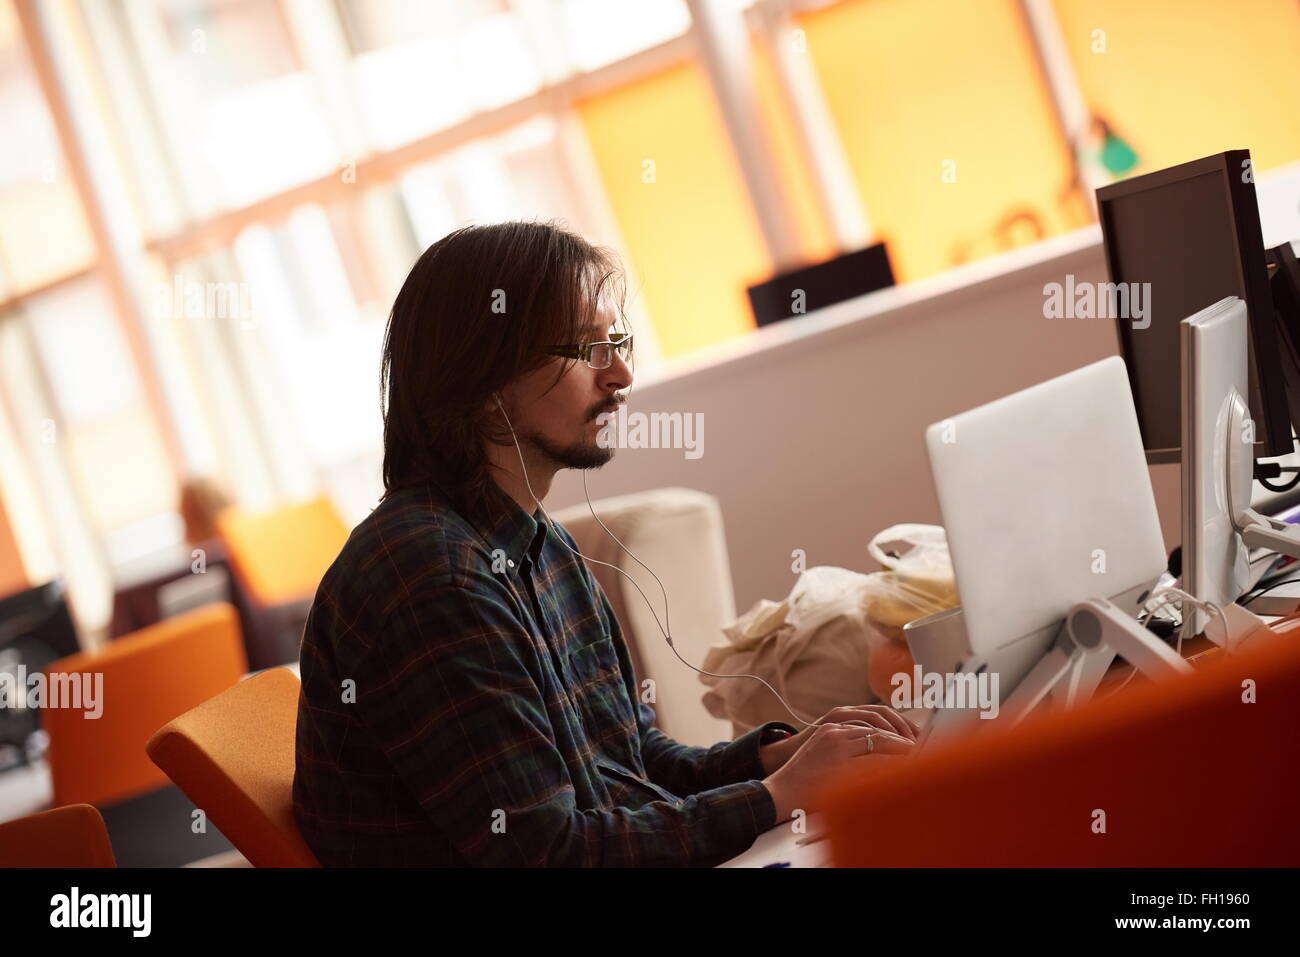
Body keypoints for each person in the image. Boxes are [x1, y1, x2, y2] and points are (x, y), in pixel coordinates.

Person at [293, 220, 917, 866]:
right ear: (481, 386)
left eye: (618, 342)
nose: (619, 374)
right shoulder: (433, 581)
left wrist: (775, 758)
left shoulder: (542, 547)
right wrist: (777, 796)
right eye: (586, 349)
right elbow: (550, 853)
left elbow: (631, 760)